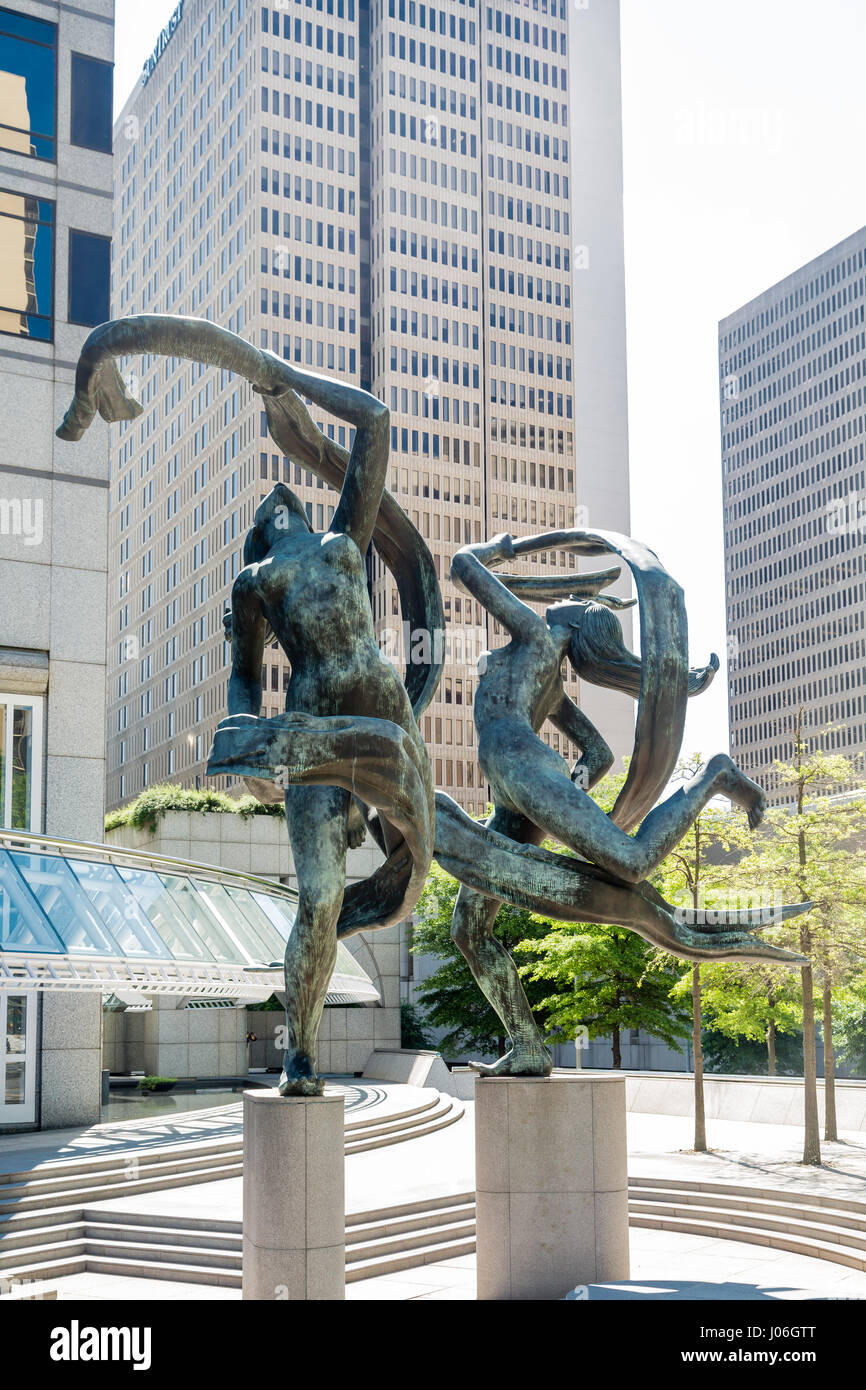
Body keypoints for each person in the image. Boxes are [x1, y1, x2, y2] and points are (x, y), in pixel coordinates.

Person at [448, 529, 767, 1076]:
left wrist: (513, 549)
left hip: (522, 770)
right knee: (468, 930)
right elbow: (598, 753)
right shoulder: (546, 681)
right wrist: (571, 791)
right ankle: (528, 1046)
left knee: (634, 862)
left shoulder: (532, 637)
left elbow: (462, 562)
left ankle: (713, 776)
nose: (556, 608)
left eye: (567, 608)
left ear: (568, 628)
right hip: (516, 791)